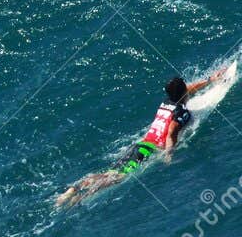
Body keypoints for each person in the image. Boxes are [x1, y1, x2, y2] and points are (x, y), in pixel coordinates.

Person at [56, 70, 228, 208]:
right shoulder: (181, 113)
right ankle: (80, 197)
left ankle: (75, 188)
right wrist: (169, 153)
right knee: (118, 178)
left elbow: (188, 90)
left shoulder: (167, 102)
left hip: (140, 145)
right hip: (148, 150)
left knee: (111, 172)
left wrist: (210, 79)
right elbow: (171, 133)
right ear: (183, 93)